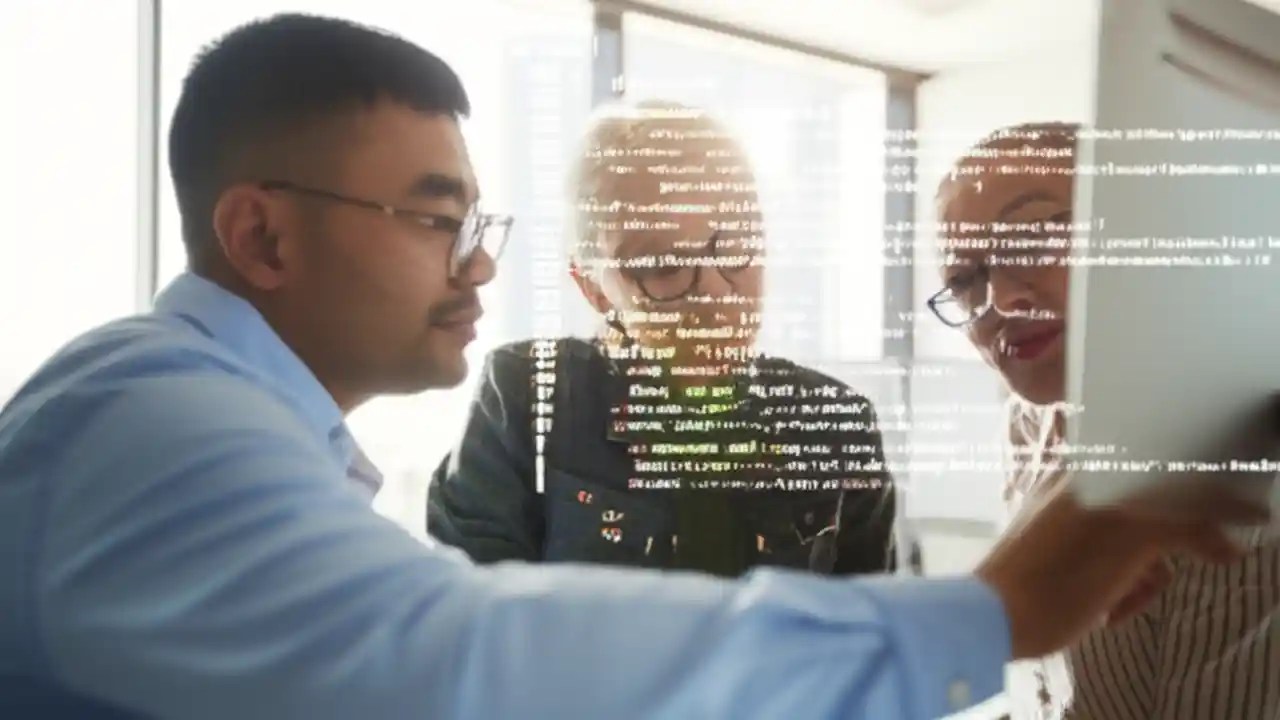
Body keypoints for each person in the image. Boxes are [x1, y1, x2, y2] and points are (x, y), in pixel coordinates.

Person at [0, 15, 1260, 720]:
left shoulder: (271, 440)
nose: (475, 267)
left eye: (741, 251)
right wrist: (994, 611)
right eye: (437, 219)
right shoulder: (153, 414)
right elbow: (452, 653)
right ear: (261, 233)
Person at [427, 101, 894, 577]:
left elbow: (870, 630)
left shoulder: (837, 423)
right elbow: (473, 618)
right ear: (593, 289)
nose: (714, 290)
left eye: (734, 239)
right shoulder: (528, 395)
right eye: (663, 266)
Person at [931, 121, 1280, 719]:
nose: (1000, 303)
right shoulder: (1027, 423)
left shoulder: (1239, 464)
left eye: (1032, 238)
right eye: (964, 280)